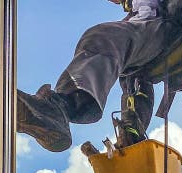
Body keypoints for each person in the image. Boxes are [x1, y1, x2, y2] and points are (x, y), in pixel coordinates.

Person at [18, 0, 173, 152]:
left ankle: (58, 108)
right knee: (121, 59)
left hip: (167, 23)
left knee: (102, 37)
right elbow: (138, 81)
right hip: (156, 29)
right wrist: (132, 132)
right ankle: (59, 110)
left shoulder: (147, 18)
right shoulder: (137, 21)